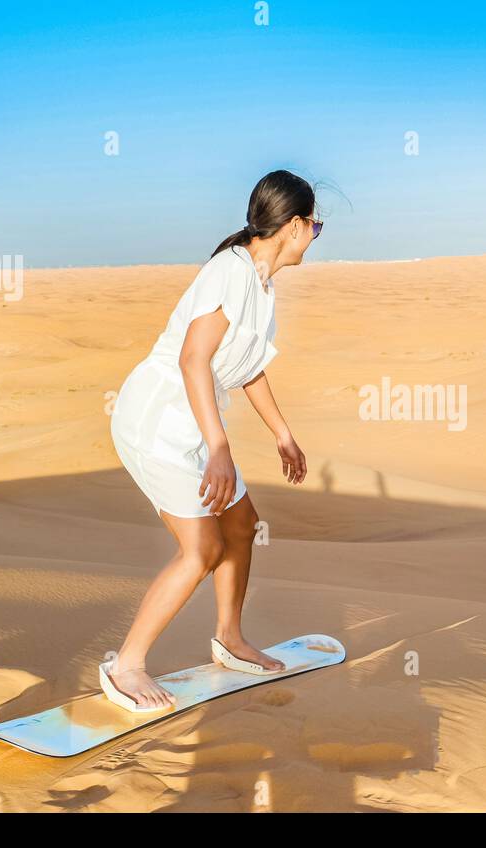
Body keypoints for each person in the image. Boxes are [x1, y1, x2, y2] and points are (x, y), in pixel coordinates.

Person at [101, 170, 321, 711]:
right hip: (155, 422)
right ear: (293, 225)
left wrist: (283, 435)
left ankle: (230, 638)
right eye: (314, 225)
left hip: (195, 426)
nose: (315, 235)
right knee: (202, 549)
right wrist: (219, 449)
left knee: (242, 524)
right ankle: (125, 666)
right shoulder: (230, 271)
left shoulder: (260, 285)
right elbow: (192, 359)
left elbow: (246, 370)